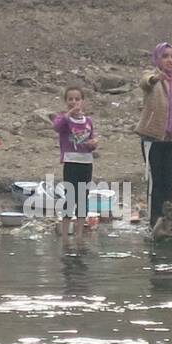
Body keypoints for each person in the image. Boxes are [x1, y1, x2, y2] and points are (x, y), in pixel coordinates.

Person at [136, 42, 172, 228]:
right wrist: (156, 78)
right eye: (165, 56)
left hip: (171, 140)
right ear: (157, 59)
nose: (169, 60)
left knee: (168, 182)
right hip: (152, 139)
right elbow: (146, 82)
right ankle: (154, 223)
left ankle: (166, 220)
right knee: (156, 182)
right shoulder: (151, 77)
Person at [52, 85, 99, 242]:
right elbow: (57, 127)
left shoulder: (88, 121)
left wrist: (94, 143)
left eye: (77, 99)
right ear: (66, 101)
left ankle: (79, 235)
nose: (74, 102)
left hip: (86, 162)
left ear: (83, 101)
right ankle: (65, 236)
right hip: (71, 161)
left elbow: (91, 139)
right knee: (70, 196)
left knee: (83, 198)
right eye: (70, 99)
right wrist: (68, 114)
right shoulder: (64, 119)